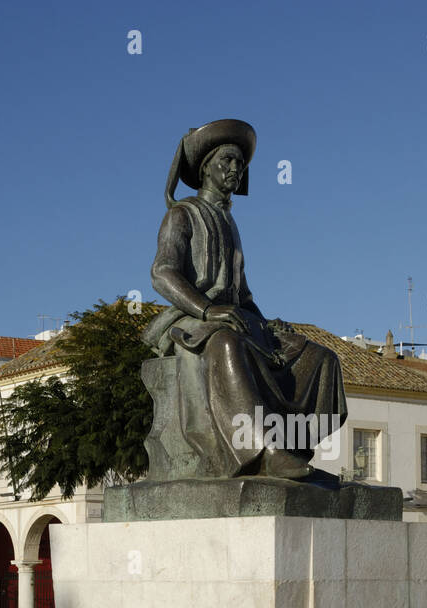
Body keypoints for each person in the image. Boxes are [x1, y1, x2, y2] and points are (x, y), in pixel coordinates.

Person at [145, 119, 347, 481]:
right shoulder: (182, 214)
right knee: (225, 343)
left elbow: (244, 294)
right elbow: (162, 272)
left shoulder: (230, 224)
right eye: (227, 160)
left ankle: (295, 446)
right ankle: (261, 451)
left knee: (318, 357)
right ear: (206, 167)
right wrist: (208, 309)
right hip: (192, 318)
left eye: (240, 163)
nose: (236, 168)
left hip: (236, 315)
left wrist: (270, 326)